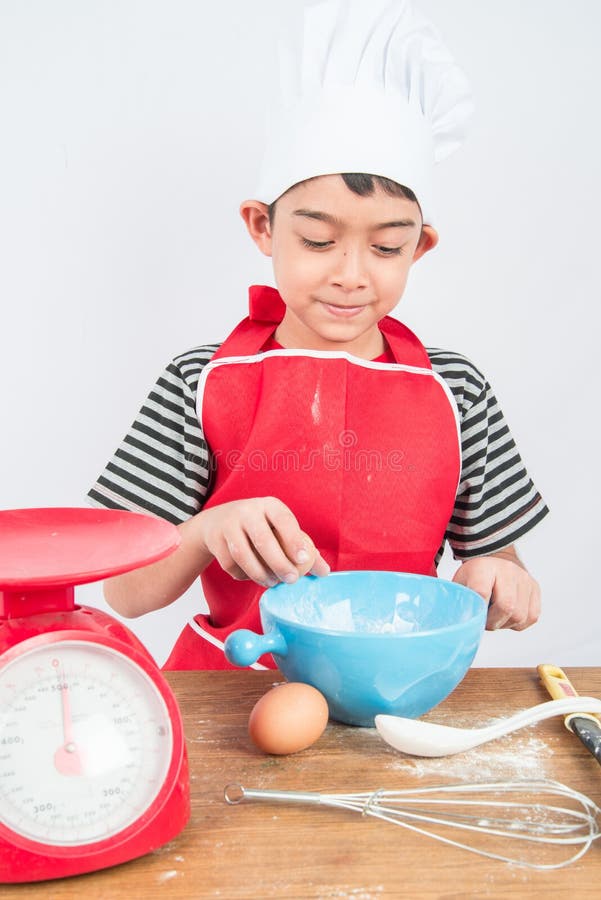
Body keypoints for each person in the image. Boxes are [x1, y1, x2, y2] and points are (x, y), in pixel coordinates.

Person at [88, 0, 548, 669]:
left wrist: (502, 581)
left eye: (386, 248)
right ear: (261, 227)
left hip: (395, 685)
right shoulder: (198, 380)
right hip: (236, 684)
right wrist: (207, 526)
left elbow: (495, 560)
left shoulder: (457, 389)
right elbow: (126, 590)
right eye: (317, 240)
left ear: (419, 247)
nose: (350, 275)